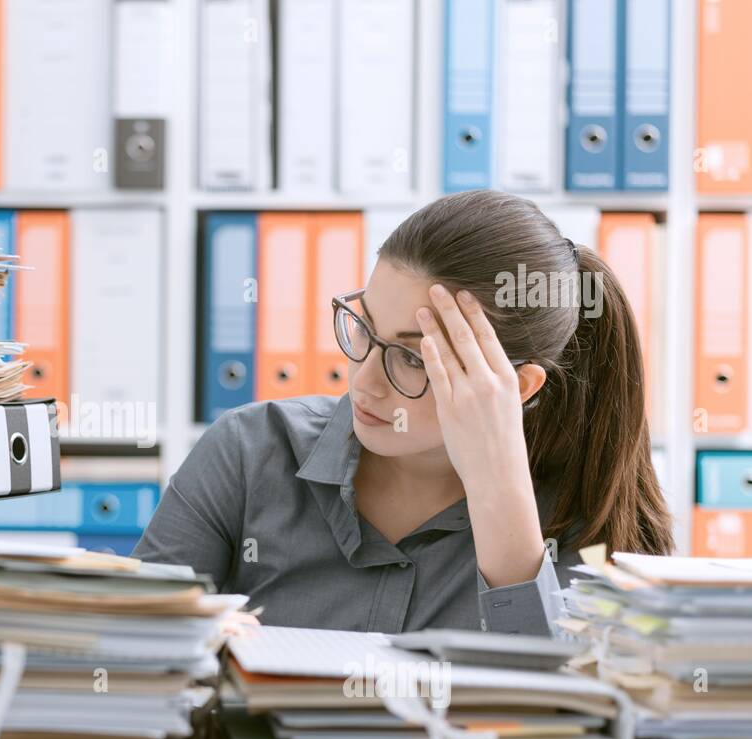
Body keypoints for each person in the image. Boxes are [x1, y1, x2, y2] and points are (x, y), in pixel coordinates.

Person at [133, 190, 673, 634]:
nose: (364, 381)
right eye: (363, 329)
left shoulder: (591, 517)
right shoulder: (248, 451)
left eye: (414, 358)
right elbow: (130, 652)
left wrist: (499, 495)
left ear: (517, 386)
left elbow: (555, 724)